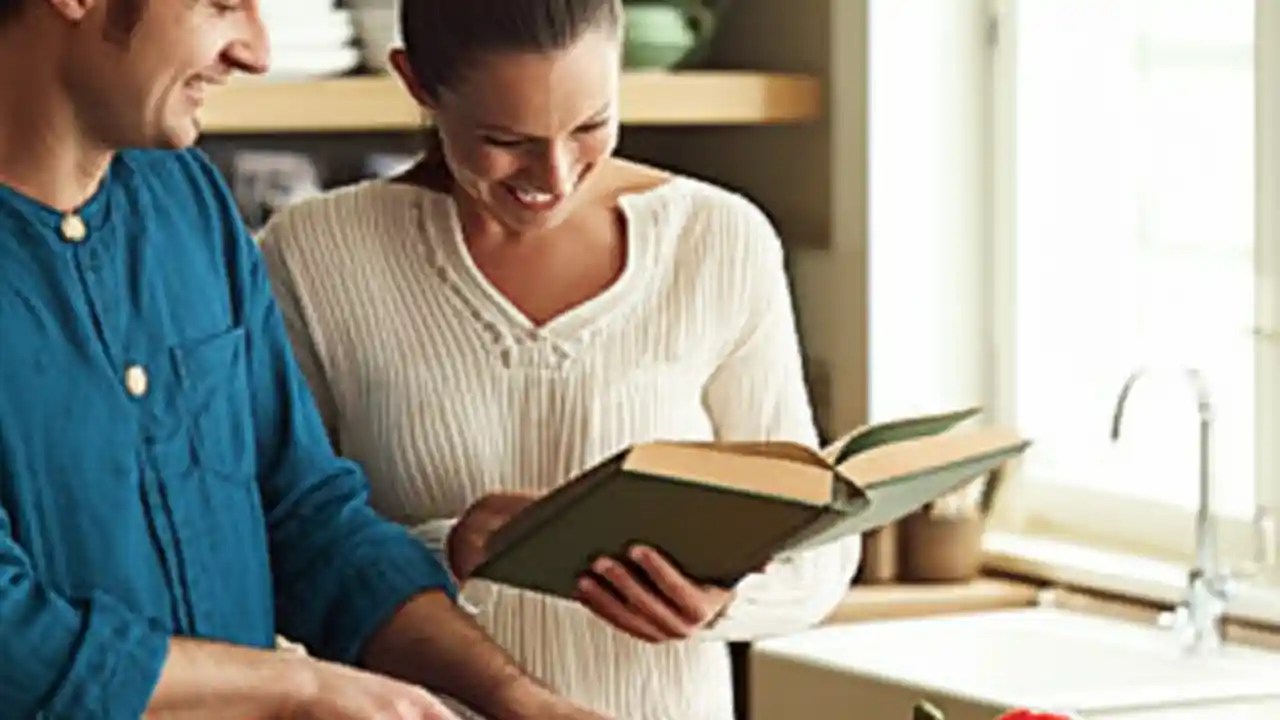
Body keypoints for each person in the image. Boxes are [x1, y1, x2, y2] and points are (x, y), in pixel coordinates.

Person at [0, 1, 609, 718]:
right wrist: (301, 688)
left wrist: (521, 701)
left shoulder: (189, 201)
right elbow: (19, 641)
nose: (255, 53)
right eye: (223, 4)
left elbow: (309, 520)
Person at [257, 0, 863, 718]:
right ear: (416, 82)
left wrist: (725, 598)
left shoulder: (718, 240)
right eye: (505, 139)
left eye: (590, 126)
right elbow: (277, 547)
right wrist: (449, 551)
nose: (555, 173)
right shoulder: (313, 254)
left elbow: (818, 552)